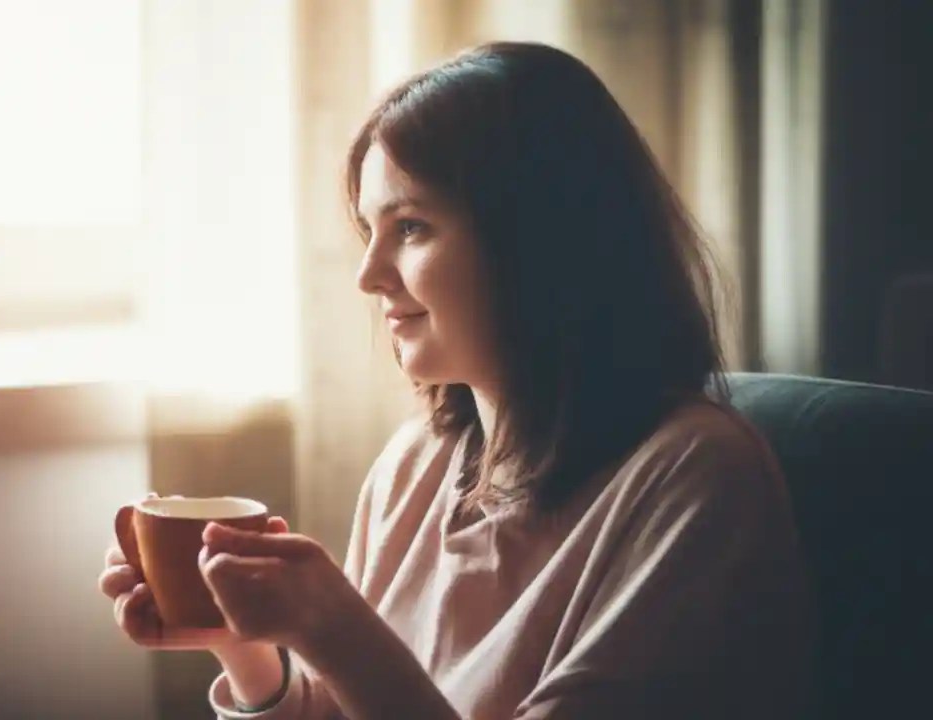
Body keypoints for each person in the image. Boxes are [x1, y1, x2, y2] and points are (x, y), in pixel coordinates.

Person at [98, 42, 815, 719]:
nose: (368, 274)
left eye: (409, 227)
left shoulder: (697, 476)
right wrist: (242, 642)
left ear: (538, 239)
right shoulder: (417, 463)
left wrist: (338, 630)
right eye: (368, 230)